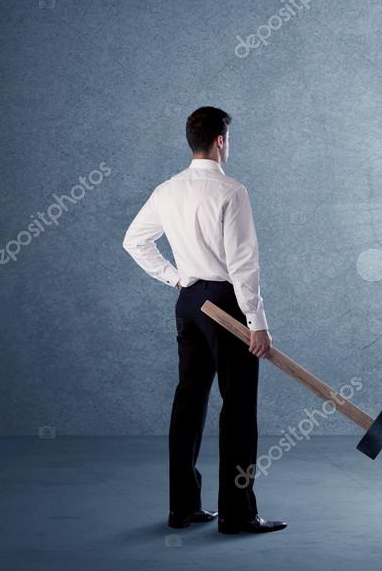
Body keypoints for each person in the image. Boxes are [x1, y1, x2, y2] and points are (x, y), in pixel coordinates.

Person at [123, 106, 286, 534]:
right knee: (238, 407)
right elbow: (243, 264)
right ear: (219, 140)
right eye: (228, 138)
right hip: (227, 304)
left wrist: (177, 278)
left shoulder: (167, 190)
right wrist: (258, 322)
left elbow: (134, 241)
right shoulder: (232, 191)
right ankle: (237, 514)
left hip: (190, 303)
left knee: (189, 401)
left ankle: (183, 509)